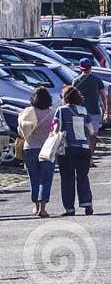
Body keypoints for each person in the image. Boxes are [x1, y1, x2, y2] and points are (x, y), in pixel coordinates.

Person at [52, 86, 95, 216]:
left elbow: (57, 129)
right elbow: (91, 131)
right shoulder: (83, 110)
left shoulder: (61, 110)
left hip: (68, 148)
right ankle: (87, 204)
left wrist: (52, 137)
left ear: (65, 98)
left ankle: (69, 208)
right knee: (82, 176)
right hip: (84, 148)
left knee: (67, 178)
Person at [16, 86, 58, 217]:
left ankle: (36, 206)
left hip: (30, 148)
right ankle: (43, 208)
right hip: (48, 148)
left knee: (34, 178)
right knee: (45, 179)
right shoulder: (53, 113)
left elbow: (20, 130)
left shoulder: (28, 112)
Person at [69, 59, 106, 142]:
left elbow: (71, 97)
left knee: (80, 135)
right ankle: (90, 153)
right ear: (91, 68)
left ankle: (84, 152)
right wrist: (105, 109)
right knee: (93, 135)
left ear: (80, 68)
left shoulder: (76, 81)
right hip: (94, 111)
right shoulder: (97, 80)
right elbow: (103, 96)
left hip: (79, 112)